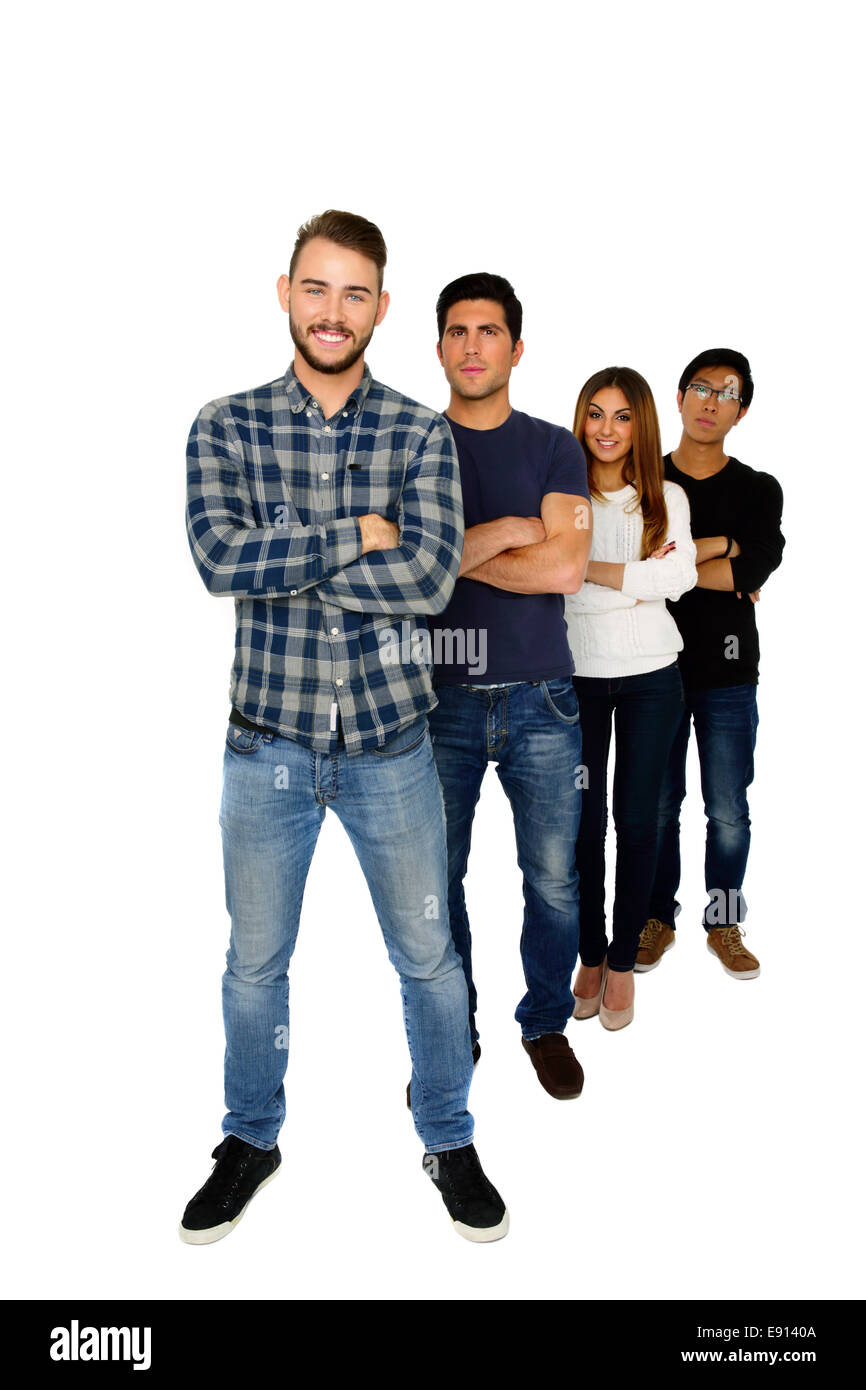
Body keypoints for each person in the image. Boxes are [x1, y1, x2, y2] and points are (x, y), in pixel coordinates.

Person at [181, 211, 508, 1245]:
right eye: (315, 289)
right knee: (253, 965)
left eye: (354, 293)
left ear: (380, 307)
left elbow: (421, 579)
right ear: (285, 293)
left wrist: (290, 546)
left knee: (428, 956)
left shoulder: (417, 431)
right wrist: (352, 532)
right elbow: (216, 562)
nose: (333, 311)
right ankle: (250, 1135)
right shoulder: (223, 426)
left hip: (391, 749)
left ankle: (447, 1133)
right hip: (265, 747)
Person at [424, 272, 592, 1101]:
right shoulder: (411, 442)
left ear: (516, 348)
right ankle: (452, 1034)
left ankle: (546, 1019)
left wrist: (458, 548)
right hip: (438, 698)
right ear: (441, 345)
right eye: (458, 331)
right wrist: (509, 529)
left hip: (543, 698)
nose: (473, 346)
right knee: (435, 878)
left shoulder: (555, 446)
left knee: (554, 879)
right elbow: (411, 577)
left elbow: (566, 566)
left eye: (488, 332)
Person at [639, 349, 785, 979]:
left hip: (728, 676)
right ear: (678, 397)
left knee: (728, 806)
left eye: (725, 393)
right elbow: (638, 564)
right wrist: (721, 549)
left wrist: (677, 566)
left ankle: (723, 921)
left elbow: (755, 569)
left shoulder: (758, 488)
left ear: (741, 411)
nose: (709, 401)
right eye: (699, 387)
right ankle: (655, 918)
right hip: (653, 667)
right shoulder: (645, 480)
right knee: (658, 801)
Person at [565, 368, 697, 1029]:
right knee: (583, 825)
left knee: (638, 822)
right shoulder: (561, 498)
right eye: (595, 413)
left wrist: (590, 568)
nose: (606, 429)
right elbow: (556, 585)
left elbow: (681, 576)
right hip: (577, 675)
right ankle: (590, 951)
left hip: (652, 676)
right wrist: (635, 580)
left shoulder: (666, 496)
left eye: (621, 416)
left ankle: (621, 964)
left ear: (640, 425)